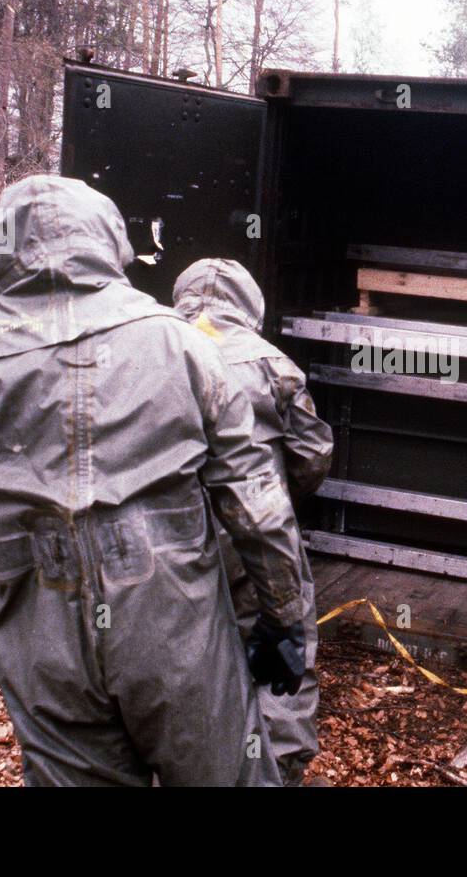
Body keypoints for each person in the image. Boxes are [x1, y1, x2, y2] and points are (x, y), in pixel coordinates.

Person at [0, 175, 307, 786]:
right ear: (110, 240)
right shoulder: (181, 345)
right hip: (175, 627)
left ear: (4, 251)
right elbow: (256, 503)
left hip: (41, 638)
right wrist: (282, 617)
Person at [173, 258, 333, 785]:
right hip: (258, 538)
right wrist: (278, 498)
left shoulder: (153, 352)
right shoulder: (275, 366)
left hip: (171, 546)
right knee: (283, 659)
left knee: (188, 662)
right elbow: (313, 455)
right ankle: (275, 774)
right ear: (249, 305)